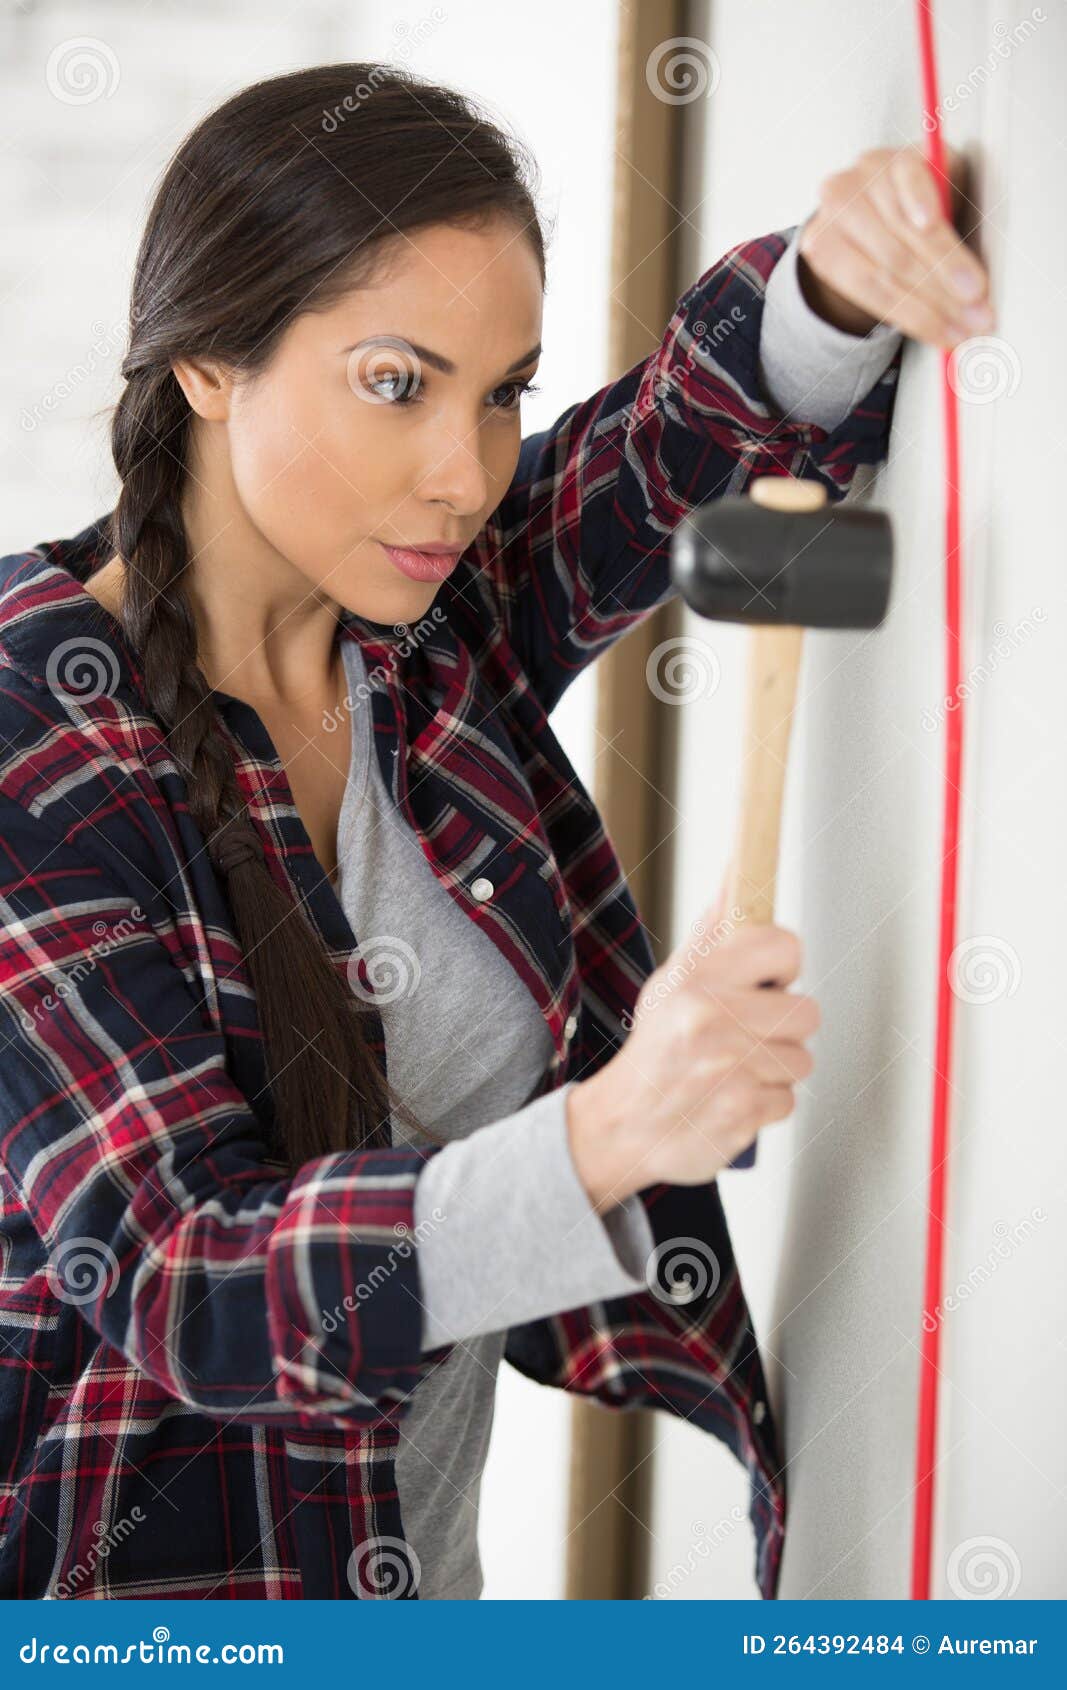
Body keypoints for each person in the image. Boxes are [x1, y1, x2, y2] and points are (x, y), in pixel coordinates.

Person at [0, 65, 992, 1600]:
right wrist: (611, 1132)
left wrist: (838, 283)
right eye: (397, 382)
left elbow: (673, 446)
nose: (465, 475)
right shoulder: (33, 735)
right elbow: (182, 1272)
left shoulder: (418, 633)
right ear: (206, 360)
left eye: (501, 389)